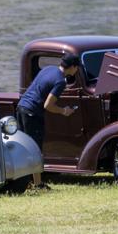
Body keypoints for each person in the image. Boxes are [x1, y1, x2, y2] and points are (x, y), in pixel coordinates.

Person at [16, 53, 80, 190]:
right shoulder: (61, 81)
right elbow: (48, 105)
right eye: (77, 68)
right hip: (32, 113)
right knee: (35, 149)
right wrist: (64, 111)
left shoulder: (48, 69)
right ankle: (38, 185)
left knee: (23, 148)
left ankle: (22, 181)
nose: (77, 71)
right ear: (73, 67)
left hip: (21, 107)